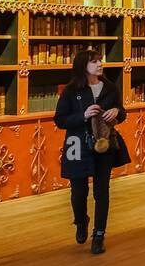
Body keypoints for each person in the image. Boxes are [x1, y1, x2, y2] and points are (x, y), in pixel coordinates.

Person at [54, 49, 128, 255]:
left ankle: (99, 235)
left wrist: (118, 113)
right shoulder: (71, 91)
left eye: (99, 61)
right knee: (78, 191)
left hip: (104, 143)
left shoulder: (111, 88)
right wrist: (83, 115)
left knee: (101, 191)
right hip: (76, 143)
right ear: (83, 66)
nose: (99, 64)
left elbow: (121, 112)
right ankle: (80, 220)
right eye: (94, 62)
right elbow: (60, 119)